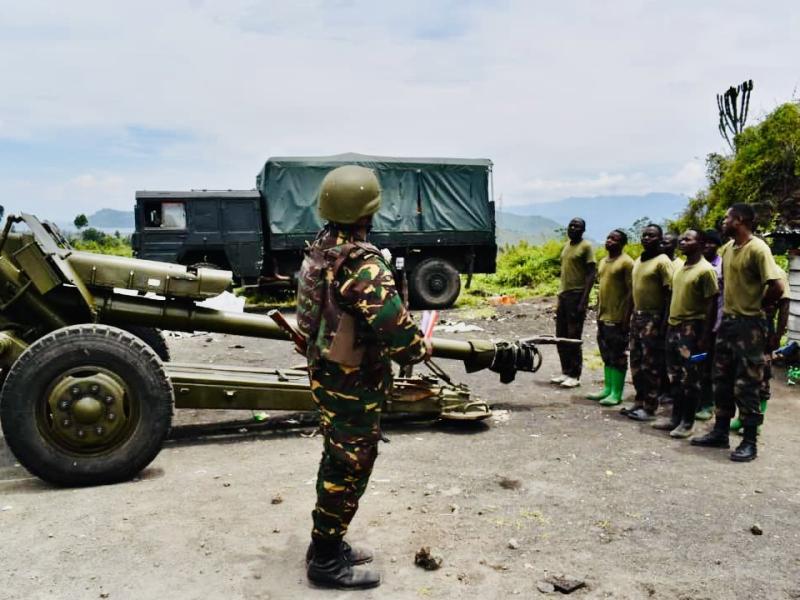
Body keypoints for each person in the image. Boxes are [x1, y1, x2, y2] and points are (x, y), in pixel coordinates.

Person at [297, 165, 430, 588]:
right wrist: (419, 346)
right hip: (352, 383)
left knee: (337, 457)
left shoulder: (322, 247)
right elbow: (399, 335)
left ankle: (327, 543)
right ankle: (325, 560)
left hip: (326, 371)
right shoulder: (362, 264)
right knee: (351, 463)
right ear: (368, 211)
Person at [691, 203, 785, 462]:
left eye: (726, 217)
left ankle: (749, 440)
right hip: (728, 324)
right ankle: (720, 432)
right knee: (721, 378)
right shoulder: (727, 249)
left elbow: (776, 286)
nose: (723, 222)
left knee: (747, 383)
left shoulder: (758, 249)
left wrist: (759, 306)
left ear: (740, 220)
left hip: (749, 326)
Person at [652, 229, 718, 437]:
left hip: (693, 331)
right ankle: (675, 418)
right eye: (682, 238)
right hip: (674, 328)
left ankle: (687, 423)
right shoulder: (680, 268)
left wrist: (705, 336)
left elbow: (712, 305)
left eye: (688, 239)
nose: (682, 241)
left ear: (700, 243)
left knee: (691, 378)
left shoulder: (705, 270)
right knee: (675, 377)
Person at [622, 224, 674, 421]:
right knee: (635, 361)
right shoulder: (639, 260)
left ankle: (650, 406)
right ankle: (639, 400)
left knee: (651, 363)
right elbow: (634, 293)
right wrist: (628, 317)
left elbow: (670, 293)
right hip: (638, 317)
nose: (646, 238)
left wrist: (664, 322)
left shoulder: (663, 262)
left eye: (651, 236)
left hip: (654, 317)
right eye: (644, 235)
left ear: (659, 239)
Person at [729, 269, 790, 434]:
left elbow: (784, 304)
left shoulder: (776, 272)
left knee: (762, 374)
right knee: (741, 372)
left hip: (764, 327)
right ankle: (742, 417)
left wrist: (777, 335)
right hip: (742, 324)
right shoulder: (745, 268)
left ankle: (756, 421)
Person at [586, 229, 633, 405]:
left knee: (618, 354)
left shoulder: (627, 263)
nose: (610, 241)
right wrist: (597, 311)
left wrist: (626, 318)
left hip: (618, 317)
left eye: (615, 239)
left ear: (622, 243)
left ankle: (616, 393)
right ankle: (607, 388)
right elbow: (602, 288)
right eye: (608, 238)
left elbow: (631, 292)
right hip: (603, 316)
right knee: (606, 354)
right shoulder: (603, 262)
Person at [551, 218, 596, 388]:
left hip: (576, 295)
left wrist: (584, 300)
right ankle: (565, 371)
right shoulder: (567, 245)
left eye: (577, 226)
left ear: (583, 230)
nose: (573, 228)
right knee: (561, 335)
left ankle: (575, 375)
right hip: (563, 296)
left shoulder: (586, 247)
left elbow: (591, 273)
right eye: (570, 225)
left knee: (573, 336)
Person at [695, 229, 724, 421]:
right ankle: (698, 400)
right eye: (703, 242)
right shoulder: (698, 265)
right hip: (697, 322)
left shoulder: (719, 267)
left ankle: (709, 404)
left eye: (710, 243)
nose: (706, 246)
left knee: (710, 366)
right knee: (696, 363)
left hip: (715, 323)